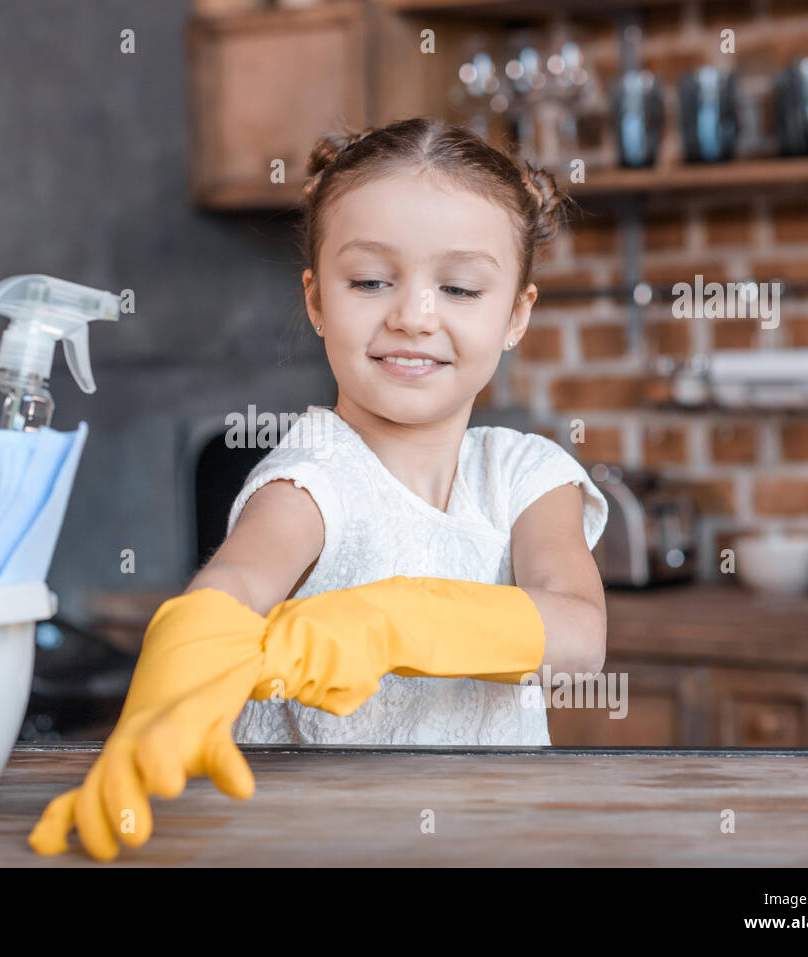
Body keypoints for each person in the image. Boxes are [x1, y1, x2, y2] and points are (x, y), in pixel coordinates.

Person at [189, 116, 610, 746]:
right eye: (369, 281)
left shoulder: (527, 476)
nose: (414, 317)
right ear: (317, 303)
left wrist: (394, 621)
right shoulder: (311, 478)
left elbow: (580, 636)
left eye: (460, 288)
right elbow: (239, 582)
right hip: (319, 840)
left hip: (489, 836)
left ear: (517, 315)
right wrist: (195, 636)